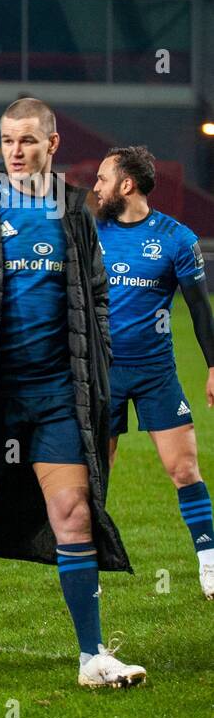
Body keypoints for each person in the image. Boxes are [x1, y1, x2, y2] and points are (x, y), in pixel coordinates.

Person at [0, 97, 147, 688]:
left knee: (73, 512)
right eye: (6, 141)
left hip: (55, 394)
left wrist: (95, 363)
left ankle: (92, 656)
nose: (15, 152)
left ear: (52, 145)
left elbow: (95, 296)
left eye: (27, 141)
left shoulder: (73, 210)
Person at [94, 145, 214, 599]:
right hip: (101, 373)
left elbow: (201, 310)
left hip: (156, 372)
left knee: (183, 468)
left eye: (104, 178)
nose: (97, 186)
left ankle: (209, 561)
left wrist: (213, 366)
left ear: (127, 185)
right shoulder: (91, 232)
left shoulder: (176, 239)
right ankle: (90, 564)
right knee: (96, 471)